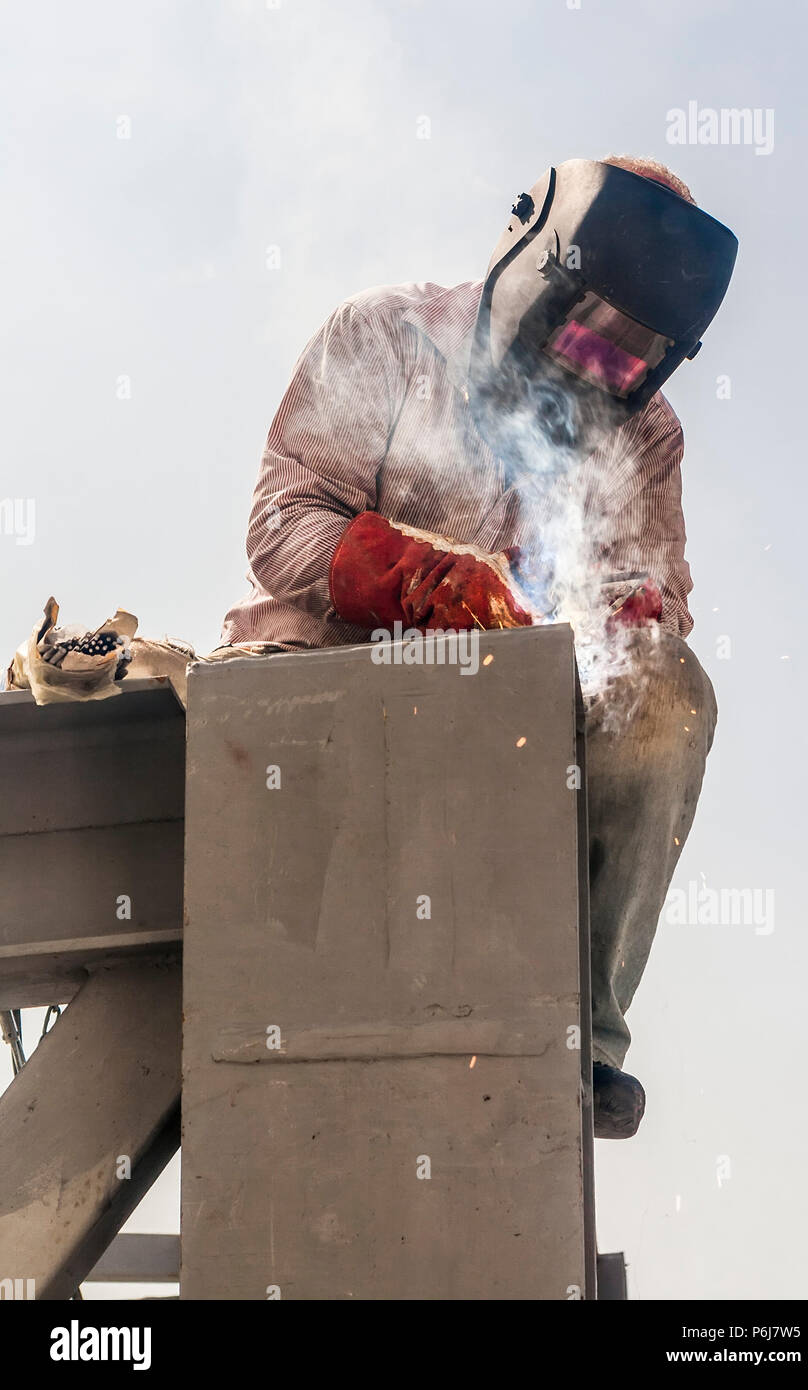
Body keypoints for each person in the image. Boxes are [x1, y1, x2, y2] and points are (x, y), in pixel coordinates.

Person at [218, 155, 738, 1138]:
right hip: (320, 692)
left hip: (494, 734)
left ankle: (577, 1035)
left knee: (664, 695)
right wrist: (424, 578)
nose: (592, 370)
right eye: (583, 334)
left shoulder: (642, 434)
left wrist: (618, 623)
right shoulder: (385, 334)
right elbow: (280, 524)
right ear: (533, 262)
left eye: (628, 362)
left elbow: (656, 598)